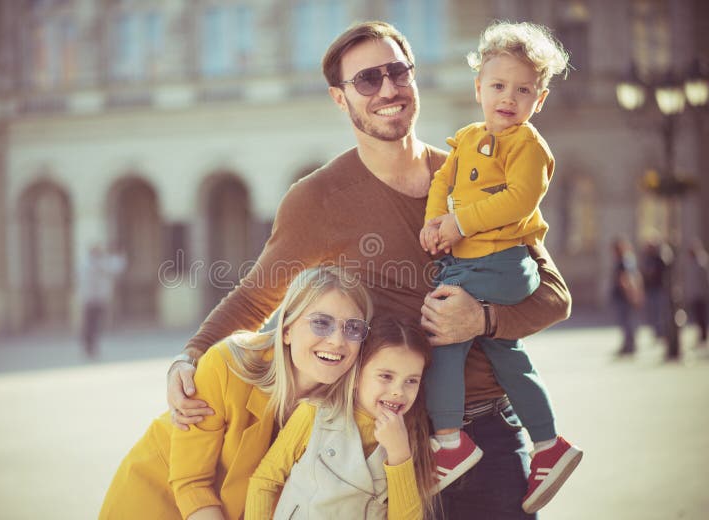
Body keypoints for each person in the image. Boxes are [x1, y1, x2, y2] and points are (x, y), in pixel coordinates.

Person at [168, 21, 572, 519]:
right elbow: (255, 297)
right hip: (384, 444)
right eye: (366, 80)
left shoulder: (476, 175)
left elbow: (555, 295)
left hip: (488, 434)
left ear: (413, 78)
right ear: (340, 99)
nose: (387, 90)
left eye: (397, 72)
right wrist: (188, 357)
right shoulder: (317, 199)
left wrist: (484, 319)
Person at [417, 21, 581, 513]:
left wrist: (458, 224)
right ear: (478, 88)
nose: (508, 98)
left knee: (445, 340)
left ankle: (449, 442)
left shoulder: (529, 147)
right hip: (476, 263)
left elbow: (518, 201)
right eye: (498, 86)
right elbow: (441, 184)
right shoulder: (466, 138)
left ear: (540, 99)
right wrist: (432, 224)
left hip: (503, 264)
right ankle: (548, 445)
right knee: (507, 354)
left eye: (523, 90)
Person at [99, 266, 373, 519]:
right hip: (156, 498)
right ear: (287, 329)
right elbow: (192, 484)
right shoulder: (227, 364)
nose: (337, 341)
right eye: (321, 323)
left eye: (353, 328)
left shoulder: (348, 407)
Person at [245, 317, 436, 520]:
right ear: (355, 375)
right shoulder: (314, 414)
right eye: (386, 376)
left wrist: (399, 454)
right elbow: (265, 481)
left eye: (411, 381)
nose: (398, 392)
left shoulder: (408, 441)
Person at [79, 244, 126, 358]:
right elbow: (114, 268)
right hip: (91, 299)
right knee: (91, 324)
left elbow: (115, 269)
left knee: (94, 324)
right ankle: (89, 346)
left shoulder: (97, 263)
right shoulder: (91, 264)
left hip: (96, 299)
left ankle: (91, 346)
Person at [612, 236, 643, 355]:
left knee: (627, 321)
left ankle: (630, 346)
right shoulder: (628, 260)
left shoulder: (624, 261)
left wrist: (632, 294)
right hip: (624, 296)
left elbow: (627, 279)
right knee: (627, 321)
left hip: (625, 297)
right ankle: (628, 345)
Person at [640, 236, 667, 340]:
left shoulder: (659, 258)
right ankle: (656, 332)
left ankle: (660, 332)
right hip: (649, 288)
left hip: (658, 288)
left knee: (659, 311)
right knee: (651, 312)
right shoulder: (646, 258)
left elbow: (663, 271)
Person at [686, 239, 709, 346]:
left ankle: (703, 335)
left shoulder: (702, 261)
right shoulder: (691, 262)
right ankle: (701, 335)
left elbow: (705, 279)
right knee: (697, 316)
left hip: (701, 294)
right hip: (694, 294)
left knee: (702, 316)